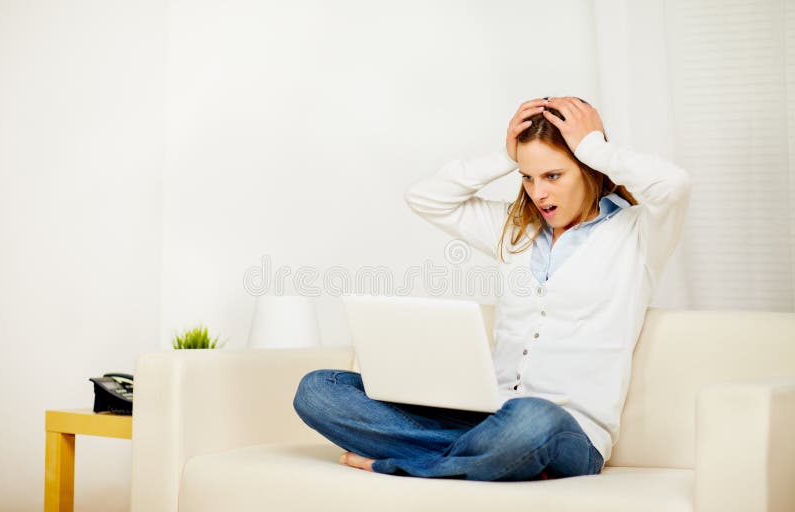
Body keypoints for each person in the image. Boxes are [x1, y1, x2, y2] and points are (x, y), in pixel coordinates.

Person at [292, 96, 692, 481]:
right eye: (528, 177)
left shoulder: (637, 235)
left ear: (589, 167)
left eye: (553, 175)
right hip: (485, 417)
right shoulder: (513, 230)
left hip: (564, 431)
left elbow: (674, 186)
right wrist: (505, 156)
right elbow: (426, 198)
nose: (539, 193)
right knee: (318, 391)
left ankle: (400, 464)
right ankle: (487, 460)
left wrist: (595, 147)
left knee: (530, 420)